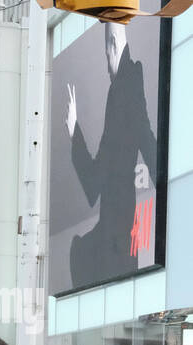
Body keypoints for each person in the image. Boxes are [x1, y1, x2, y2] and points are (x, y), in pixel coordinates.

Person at [66, 23, 158, 290]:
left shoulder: (123, 88)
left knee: (80, 254)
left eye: (106, 53)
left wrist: (74, 131)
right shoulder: (126, 85)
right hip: (119, 230)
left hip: (116, 235)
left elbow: (93, 183)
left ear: (113, 45)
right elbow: (147, 140)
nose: (106, 64)